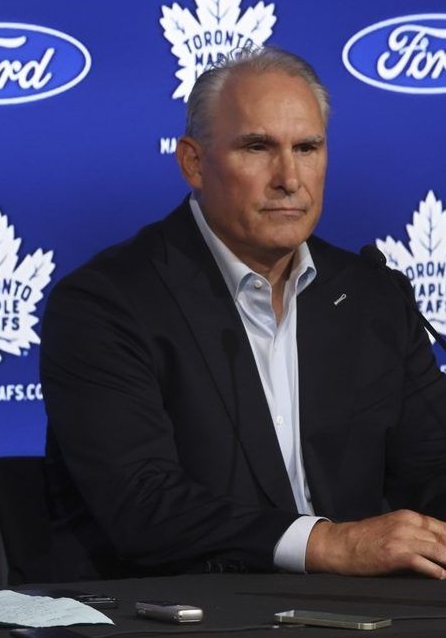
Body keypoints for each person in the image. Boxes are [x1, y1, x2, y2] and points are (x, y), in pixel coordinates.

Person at [40, 47, 446, 582]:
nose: (288, 177)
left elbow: (432, 467)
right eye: (258, 147)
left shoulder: (373, 295)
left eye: (307, 147)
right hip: (200, 607)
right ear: (193, 162)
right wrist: (327, 543)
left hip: (372, 609)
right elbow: (143, 505)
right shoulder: (106, 304)